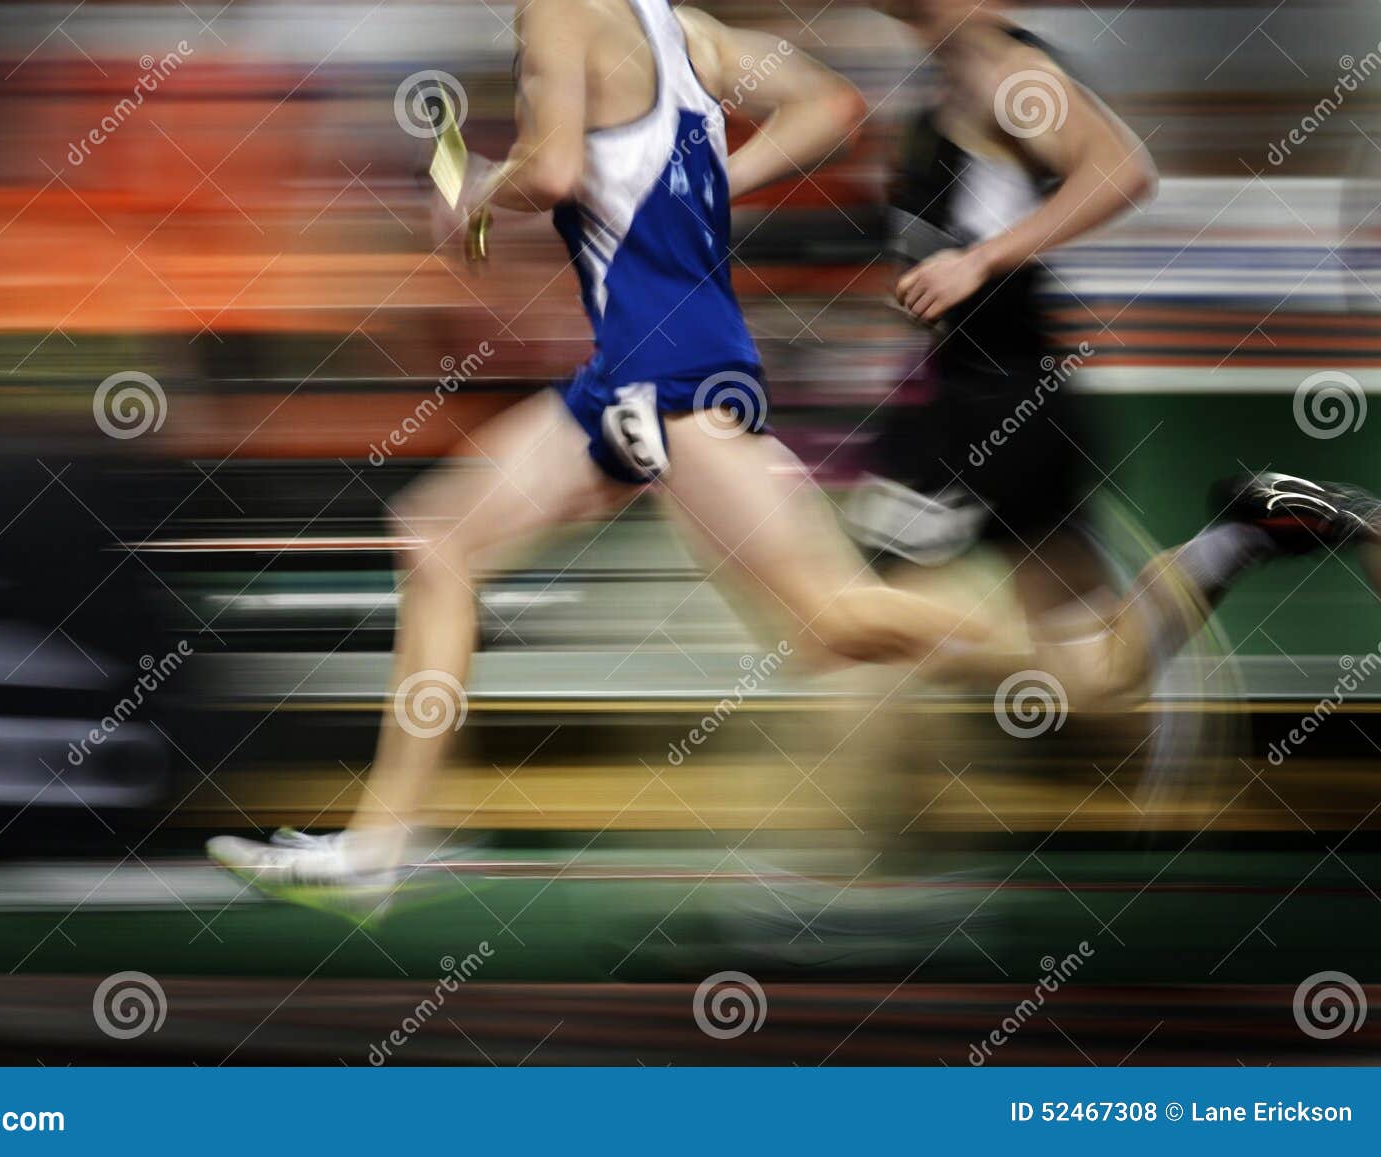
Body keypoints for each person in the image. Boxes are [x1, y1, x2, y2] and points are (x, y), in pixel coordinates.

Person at [206, 0, 1381, 893]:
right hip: (632, 373)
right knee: (436, 538)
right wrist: (712, 172)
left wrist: (474, 193)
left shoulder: (558, 10)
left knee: (853, 630)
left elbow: (557, 169)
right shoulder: (686, 29)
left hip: (673, 378)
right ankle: (384, 842)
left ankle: (1213, 556)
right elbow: (827, 107)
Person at [848, 0, 1153, 622]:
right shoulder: (950, 80)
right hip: (985, 390)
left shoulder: (1011, 74)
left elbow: (1121, 170)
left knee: (872, 614)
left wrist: (978, 261)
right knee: (1074, 635)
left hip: (998, 397)